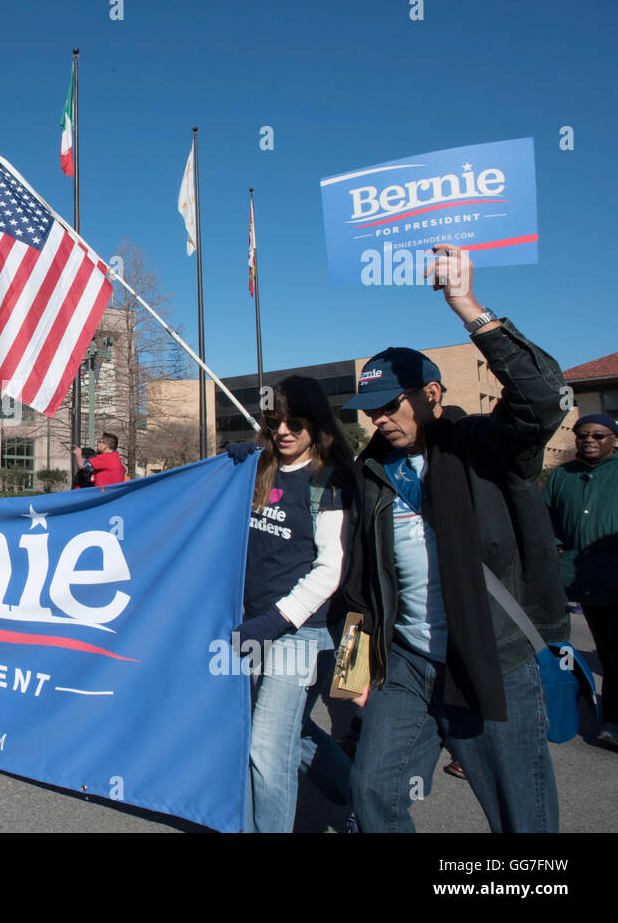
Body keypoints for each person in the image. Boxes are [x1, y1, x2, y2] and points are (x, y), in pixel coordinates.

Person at [342, 244, 568, 833]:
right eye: (369, 413)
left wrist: (467, 306)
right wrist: (353, 670)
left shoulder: (485, 449)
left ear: (432, 395)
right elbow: (363, 582)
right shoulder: (370, 473)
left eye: (389, 406)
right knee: (372, 791)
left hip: (493, 657)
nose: (379, 420)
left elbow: (542, 401)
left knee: (520, 809)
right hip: (409, 662)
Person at [227, 376, 357, 832]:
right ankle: (362, 795)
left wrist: (276, 620)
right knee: (289, 734)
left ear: (316, 424)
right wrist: (230, 465)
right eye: (273, 421)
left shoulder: (329, 481)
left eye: (295, 422)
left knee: (264, 745)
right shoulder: (259, 469)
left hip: (297, 633)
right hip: (252, 622)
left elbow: (329, 570)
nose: (283, 431)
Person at [542, 412, 618, 750]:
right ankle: (561, 713)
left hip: (614, 577)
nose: (589, 440)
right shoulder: (562, 476)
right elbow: (545, 519)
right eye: (582, 435)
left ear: (614, 440)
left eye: (599, 436)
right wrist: (556, 546)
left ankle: (612, 721)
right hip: (573, 578)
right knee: (569, 652)